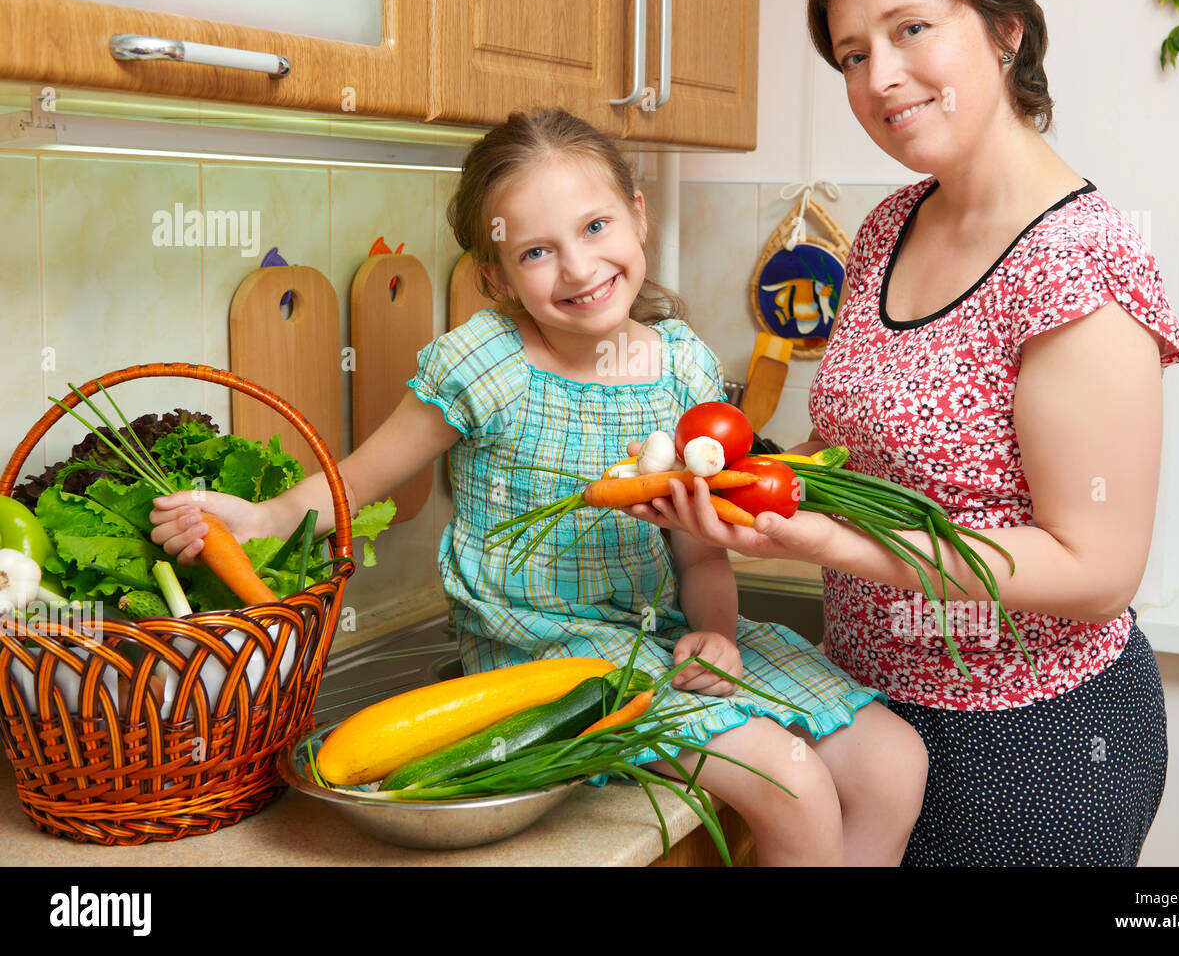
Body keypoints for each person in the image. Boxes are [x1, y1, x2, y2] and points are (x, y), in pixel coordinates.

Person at [150, 107, 928, 867]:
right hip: (539, 657)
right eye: (536, 252)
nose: (580, 268)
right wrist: (260, 518)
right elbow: (356, 481)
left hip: (661, 632)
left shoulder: (683, 365)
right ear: (495, 274)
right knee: (785, 780)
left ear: (638, 215)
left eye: (595, 227)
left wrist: (718, 633)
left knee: (893, 765)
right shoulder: (483, 362)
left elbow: (699, 552)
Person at [624, 0, 1179, 867]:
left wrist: (828, 542)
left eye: (909, 29)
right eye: (851, 54)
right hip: (872, 715)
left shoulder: (1077, 260)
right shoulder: (889, 229)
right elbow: (857, 457)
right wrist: (742, 490)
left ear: (1006, 31)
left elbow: (1096, 570)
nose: (879, 76)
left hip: (1034, 742)